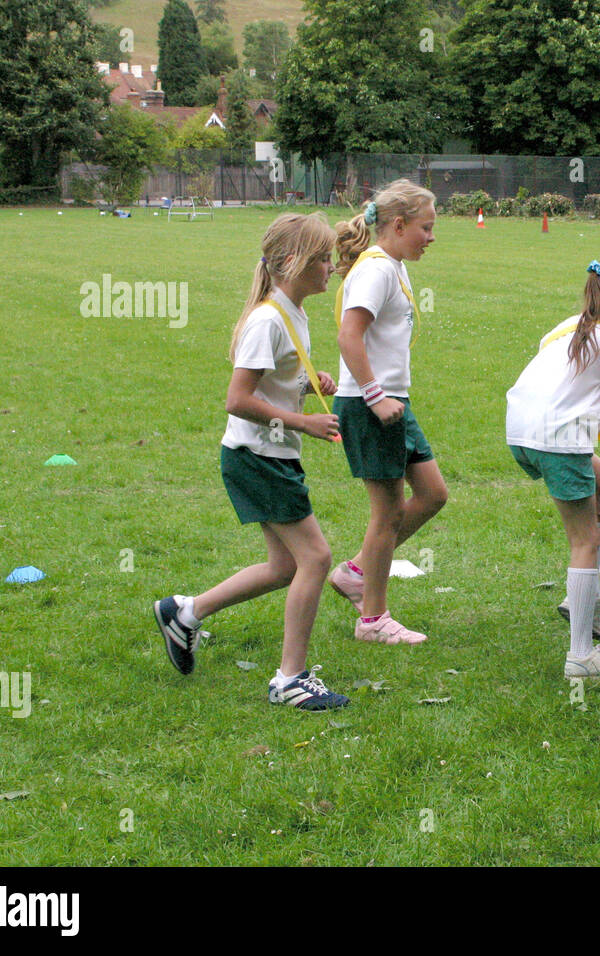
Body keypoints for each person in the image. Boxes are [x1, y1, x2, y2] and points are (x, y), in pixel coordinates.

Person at [153, 212, 349, 710]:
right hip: (257, 455)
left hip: (266, 454)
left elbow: (272, 380)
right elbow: (237, 399)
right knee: (316, 559)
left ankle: (185, 613)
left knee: (285, 565)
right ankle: (290, 679)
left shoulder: (292, 311)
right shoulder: (268, 319)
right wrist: (303, 421)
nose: (332, 266)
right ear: (291, 263)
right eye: (323, 258)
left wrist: (307, 381)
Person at [506, 253, 600, 678]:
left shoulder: (573, 325)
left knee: (597, 490)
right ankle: (581, 656)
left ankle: (583, 599)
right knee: (586, 540)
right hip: (556, 438)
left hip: (521, 431)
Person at [328, 179, 448, 645]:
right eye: (426, 228)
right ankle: (373, 620)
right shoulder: (375, 270)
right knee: (389, 514)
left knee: (433, 494)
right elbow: (348, 336)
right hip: (369, 404)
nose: (431, 238)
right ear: (398, 225)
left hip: (394, 402)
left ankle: (357, 572)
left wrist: (387, 396)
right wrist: (375, 396)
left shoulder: (394, 266)